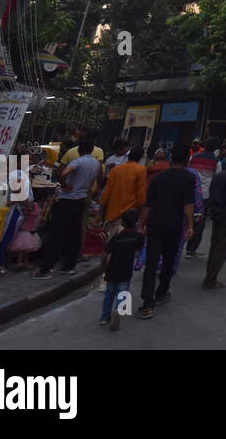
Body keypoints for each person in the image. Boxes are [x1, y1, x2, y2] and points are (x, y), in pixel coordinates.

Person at [138, 144, 195, 319]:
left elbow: (149, 204)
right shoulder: (188, 178)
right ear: (186, 159)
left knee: (151, 264)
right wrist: (191, 225)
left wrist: (141, 224)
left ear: (171, 159)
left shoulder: (159, 178)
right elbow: (188, 203)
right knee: (169, 261)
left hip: (155, 224)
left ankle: (148, 304)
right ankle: (161, 292)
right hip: (174, 226)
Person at [33, 138, 101, 278]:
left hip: (67, 199)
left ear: (79, 150)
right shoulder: (96, 163)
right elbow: (100, 178)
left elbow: (63, 173)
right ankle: (69, 266)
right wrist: (93, 190)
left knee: (56, 234)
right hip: (81, 199)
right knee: (74, 234)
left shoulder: (78, 161)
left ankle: (46, 268)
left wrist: (64, 185)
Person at [202, 152, 226, 290]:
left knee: (215, 245)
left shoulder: (219, 175)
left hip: (216, 213)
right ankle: (211, 279)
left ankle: (210, 275)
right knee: (222, 247)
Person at [100, 209, 143, 330]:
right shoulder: (138, 237)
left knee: (109, 294)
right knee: (123, 292)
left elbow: (105, 254)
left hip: (112, 270)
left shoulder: (116, 239)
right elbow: (140, 250)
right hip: (126, 270)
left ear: (122, 223)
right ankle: (119, 311)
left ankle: (104, 318)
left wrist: (104, 265)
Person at [100, 145, 148, 234]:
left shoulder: (116, 169)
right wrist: (142, 213)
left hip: (113, 213)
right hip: (129, 214)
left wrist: (101, 209)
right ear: (141, 157)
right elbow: (141, 195)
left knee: (112, 240)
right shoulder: (141, 170)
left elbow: (108, 190)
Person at [185, 137, 220, 257]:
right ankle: (191, 248)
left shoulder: (193, 157)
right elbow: (216, 179)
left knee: (187, 217)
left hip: (190, 191)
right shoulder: (216, 161)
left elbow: (188, 171)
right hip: (205, 195)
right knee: (200, 221)